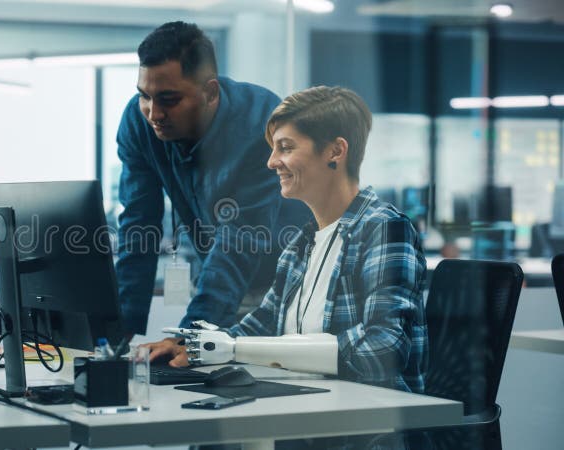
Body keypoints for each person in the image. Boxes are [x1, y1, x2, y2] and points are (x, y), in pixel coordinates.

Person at [146, 86, 428, 398]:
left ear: (335, 152)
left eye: (285, 147)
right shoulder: (300, 245)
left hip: (370, 418)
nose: (271, 162)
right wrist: (191, 346)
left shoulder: (384, 229)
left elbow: (384, 349)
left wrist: (235, 348)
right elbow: (259, 327)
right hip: (306, 409)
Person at [116, 21, 311, 336]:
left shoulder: (263, 123)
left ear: (209, 92)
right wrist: (118, 337)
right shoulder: (139, 123)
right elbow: (138, 226)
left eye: (169, 99)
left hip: (285, 291)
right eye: (145, 96)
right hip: (217, 280)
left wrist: (192, 336)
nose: (154, 113)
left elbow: (242, 239)